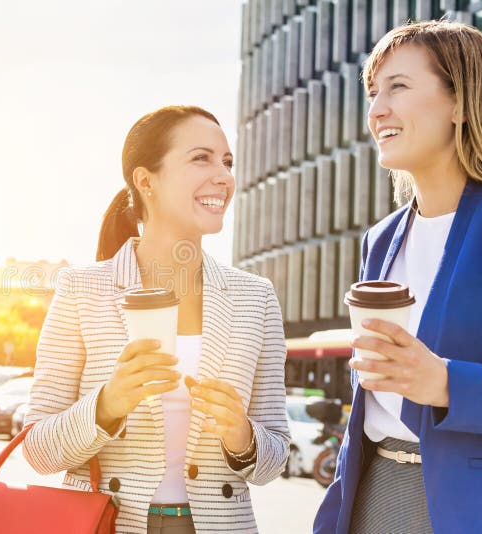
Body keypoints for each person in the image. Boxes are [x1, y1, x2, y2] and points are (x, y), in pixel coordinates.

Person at [23, 105, 290, 533]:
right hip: (111, 523)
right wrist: (108, 404)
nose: (223, 176)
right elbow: (37, 450)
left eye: (227, 162)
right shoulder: (80, 289)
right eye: (201, 158)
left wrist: (243, 437)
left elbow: (275, 456)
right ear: (146, 180)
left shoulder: (255, 297)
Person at [314, 20, 482, 534]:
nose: (376, 109)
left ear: (460, 102)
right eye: (372, 92)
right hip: (373, 498)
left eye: (398, 87)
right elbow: (370, 403)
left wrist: (449, 384)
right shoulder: (380, 240)